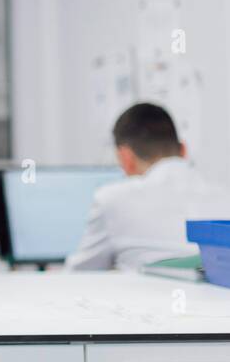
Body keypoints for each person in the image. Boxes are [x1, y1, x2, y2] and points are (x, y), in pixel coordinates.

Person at [66, 102, 230, 270]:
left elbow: (79, 274)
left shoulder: (112, 199)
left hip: (152, 295)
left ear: (125, 157)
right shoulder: (225, 195)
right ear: (183, 150)